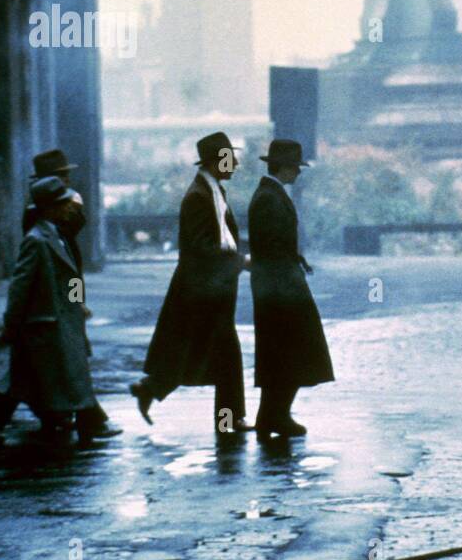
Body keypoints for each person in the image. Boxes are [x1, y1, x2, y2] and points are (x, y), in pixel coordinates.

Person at [0, 177, 120, 446]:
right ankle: (86, 422)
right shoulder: (37, 240)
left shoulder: (58, 234)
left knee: (25, 380)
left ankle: (82, 422)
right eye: (64, 204)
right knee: (32, 379)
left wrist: (78, 303)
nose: (71, 208)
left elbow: (71, 277)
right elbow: (20, 286)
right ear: (51, 208)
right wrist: (11, 322)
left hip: (60, 321)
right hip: (43, 323)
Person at [132, 132, 249, 435]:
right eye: (228, 157)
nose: (234, 163)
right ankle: (227, 420)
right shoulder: (198, 196)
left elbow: (222, 238)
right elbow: (201, 247)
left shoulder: (213, 192)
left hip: (213, 287)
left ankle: (153, 389)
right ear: (214, 161)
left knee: (203, 352)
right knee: (209, 352)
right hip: (201, 290)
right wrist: (240, 262)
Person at [247, 140, 334, 440]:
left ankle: (273, 415)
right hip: (279, 289)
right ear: (283, 167)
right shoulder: (269, 198)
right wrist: (290, 264)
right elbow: (270, 246)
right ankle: (274, 416)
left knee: (283, 354)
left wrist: (295, 260)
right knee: (291, 352)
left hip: (278, 285)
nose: (298, 172)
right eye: (295, 167)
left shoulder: (270, 195)